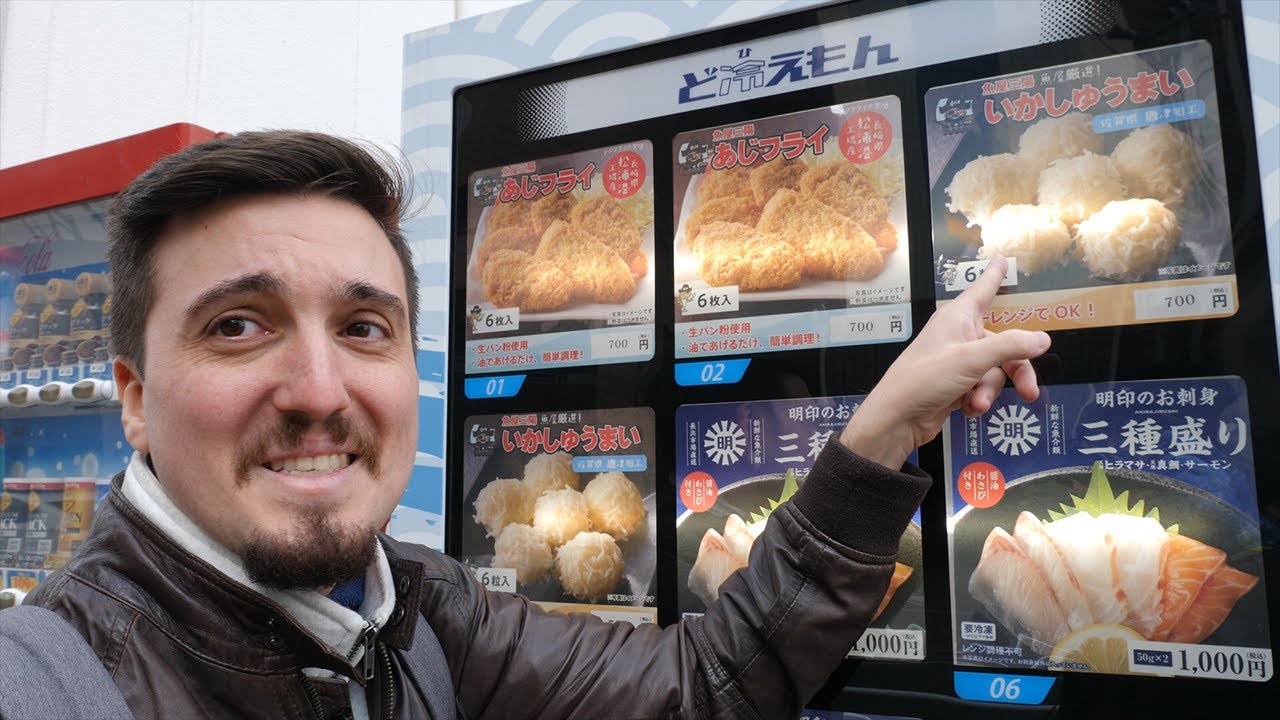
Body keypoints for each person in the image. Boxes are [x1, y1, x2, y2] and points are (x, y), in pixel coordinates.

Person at [24, 130, 1049, 720]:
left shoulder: (423, 613)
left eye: (364, 327)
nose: (319, 389)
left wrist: (883, 427)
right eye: (238, 326)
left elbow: (706, 682)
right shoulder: (45, 685)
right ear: (135, 398)